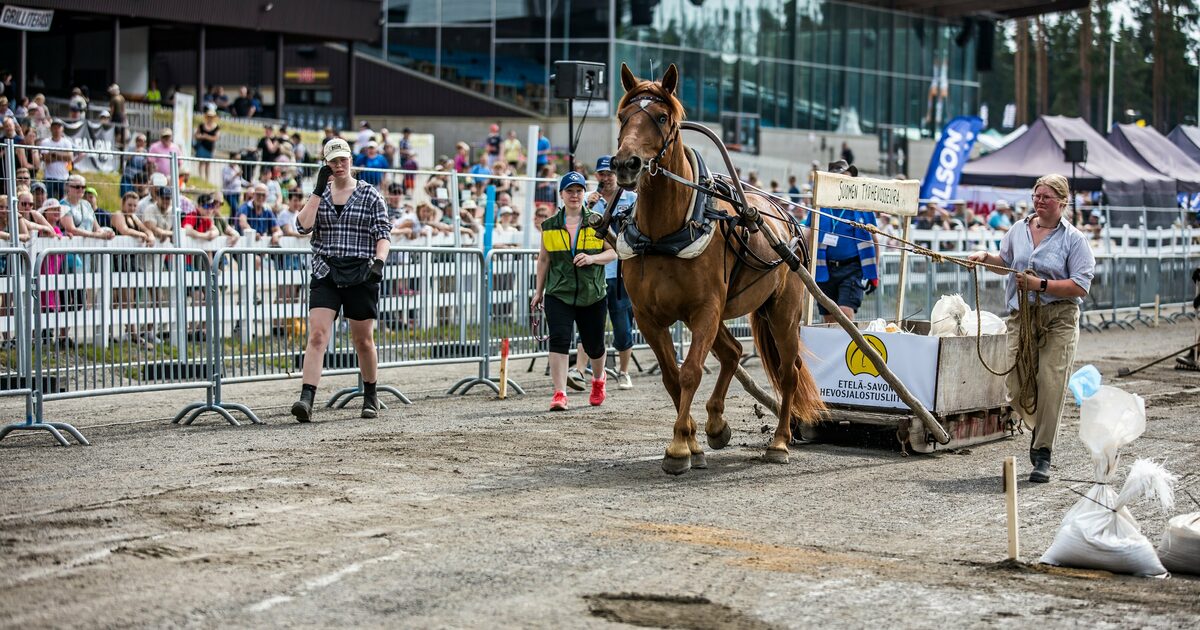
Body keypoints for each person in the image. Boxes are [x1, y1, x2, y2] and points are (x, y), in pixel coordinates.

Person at [967, 174, 1096, 484]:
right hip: (1022, 317)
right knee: (1016, 380)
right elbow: (1006, 262)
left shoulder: (1074, 240)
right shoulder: (1018, 229)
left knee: (1051, 384)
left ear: (1062, 203)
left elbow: (1081, 285)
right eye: (1037, 195)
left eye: (1046, 197)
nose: (1039, 201)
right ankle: (1038, 424)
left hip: (1059, 319)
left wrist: (1042, 284)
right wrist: (986, 258)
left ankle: (1042, 453)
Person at [291, 137, 391, 422]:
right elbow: (302, 226)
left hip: (361, 271)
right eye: (333, 161)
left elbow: (383, 234)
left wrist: (379, 262)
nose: (339, 165)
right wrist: (317, 191)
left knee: (363, 340)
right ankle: (306, 398)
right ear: (326, 164)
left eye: (343, 159)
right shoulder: (319, 195)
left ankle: (370, 395)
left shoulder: (369, 194)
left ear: (351, 160)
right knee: (317, 334)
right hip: (326, 271)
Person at [530, 171, 617, 411]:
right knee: (559, 339)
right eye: (570, 191)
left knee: (594, 345)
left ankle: (598, 381)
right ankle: (559, 393)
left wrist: (592, 259)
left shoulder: (598, 220)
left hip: (593, 293)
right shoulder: (549, 225)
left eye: (579, 191)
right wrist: (538, 292)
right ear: (561, 194)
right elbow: (544, 259)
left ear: (583, 193)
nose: (575, 195)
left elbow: (613, 252)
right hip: (559, 292)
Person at [567, 156, 638, 391]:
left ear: (617, 174)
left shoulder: (632, 199)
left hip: (622, 273)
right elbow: (570, 225)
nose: (605, 178)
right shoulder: (589, 202)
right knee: (589, 324)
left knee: (622, 326)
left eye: (609, 173)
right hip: (595, 272)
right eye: (601, 174)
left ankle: (624, 372)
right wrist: (587, 205)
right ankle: (578, 371)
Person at [809, 160, 878, 323]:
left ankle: (849, 347)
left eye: (849, 178)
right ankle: (835, 349)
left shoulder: (861, 207)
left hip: (852, 268)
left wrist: (875, 273)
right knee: (829, 319)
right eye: (843, 178)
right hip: (824, 268)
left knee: (845, 313)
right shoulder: (820, 205)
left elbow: (875, 240)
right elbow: (807, 233)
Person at [38, 119, 75, 199]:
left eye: (59, 127)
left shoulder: (67, 142)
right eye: (54, 127)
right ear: (51, 129)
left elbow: (69, 157)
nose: (56, 129)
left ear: (62, 129)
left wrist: (54, 154)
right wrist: (62, 157)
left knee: (64, 201)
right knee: (49, 200)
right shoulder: (45, 142)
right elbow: (45, 158)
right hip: (49, 177)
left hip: (64, 178)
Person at [194, 106, 221, 178]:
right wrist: (202, 136)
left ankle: (206, 179)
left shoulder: (216, 127)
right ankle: (200, 178)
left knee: (207, 165)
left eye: (212, 116)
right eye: (209, 116)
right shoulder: (202, 125)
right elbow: (196, 135)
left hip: (210, 148)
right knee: (201, 163)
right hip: (202, 146)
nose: (210, 118)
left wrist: (206, 136)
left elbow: (216, 138)